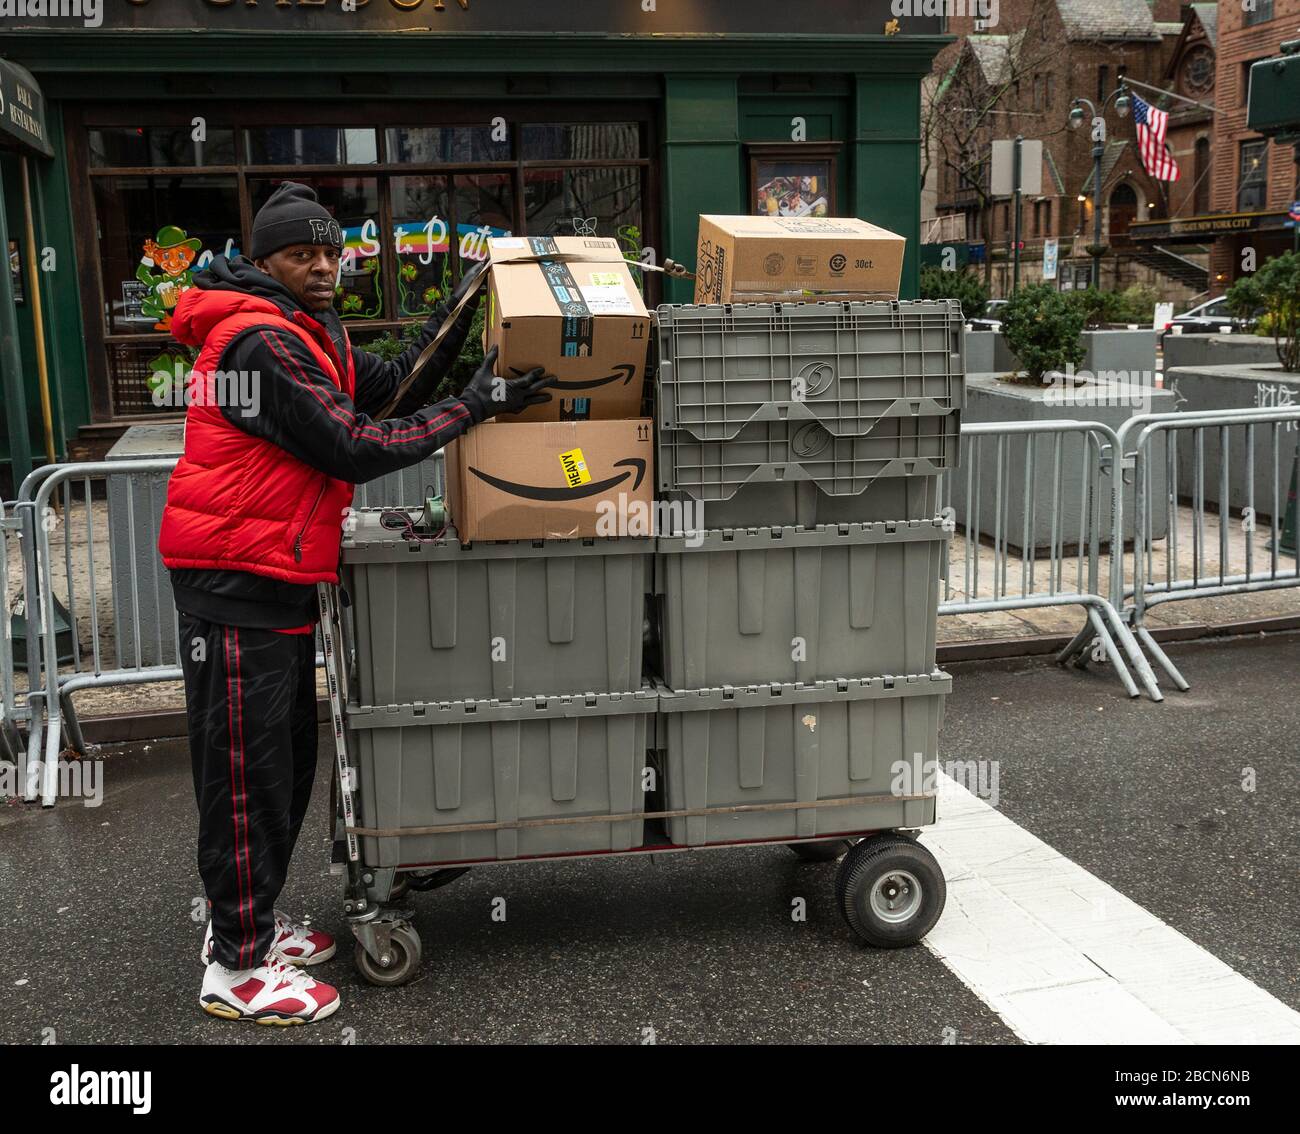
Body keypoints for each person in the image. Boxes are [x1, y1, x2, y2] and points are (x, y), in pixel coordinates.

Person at [158, 182, 553, 1024]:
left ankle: (251, 928)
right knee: (246, 778)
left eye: (333, 251)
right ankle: (234, 965)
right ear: (265, 261)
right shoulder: (259, 344)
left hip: (275, 577)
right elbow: (354, 442)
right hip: (236, 584)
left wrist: (468, 299)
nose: (325, 266)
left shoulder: (310, 332)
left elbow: (396, 387)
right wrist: (473, 407)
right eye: (304, 253)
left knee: (285, 767)